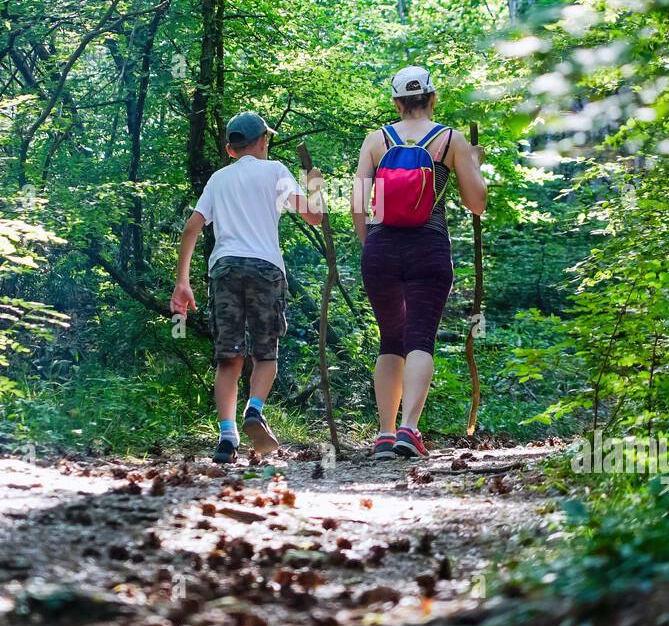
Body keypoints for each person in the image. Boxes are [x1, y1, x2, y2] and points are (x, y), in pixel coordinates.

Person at [171, 111, 324, 463]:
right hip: (265, 268)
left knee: (229, 357)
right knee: (265, 351)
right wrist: (314, 184)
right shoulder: (275, 171)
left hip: (224, 268)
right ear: (263, 141)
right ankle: (254, 409)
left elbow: (192, 228)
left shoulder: (218, 180)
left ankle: (227, 437)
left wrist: (183, 282)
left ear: (230, 149)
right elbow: (313, 216)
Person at [351, 66, 487, 459]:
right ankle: (409, 429)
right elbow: (477, 203)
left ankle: (384, 434)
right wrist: (473, 162)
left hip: (380, 249)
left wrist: (369, 245)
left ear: (396, 102)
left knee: (391, 339)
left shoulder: (376, 141)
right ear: (433, 98)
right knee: (420, 337)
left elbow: (358, 203)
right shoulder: (450, 140)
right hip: (429, 246)